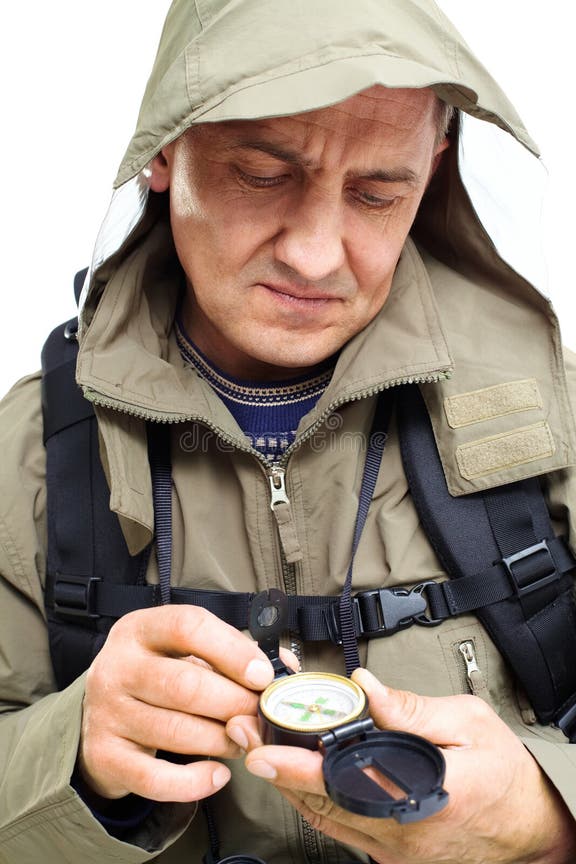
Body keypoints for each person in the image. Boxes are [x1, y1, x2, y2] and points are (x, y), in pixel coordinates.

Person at [1, 1, 576, 862]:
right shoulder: (28, 459)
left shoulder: (558, 421)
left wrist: (546, 815)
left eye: (380, 191)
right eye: (262, 175)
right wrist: (74, 755)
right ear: (164, 150)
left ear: (437, 164)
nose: (314, 254)